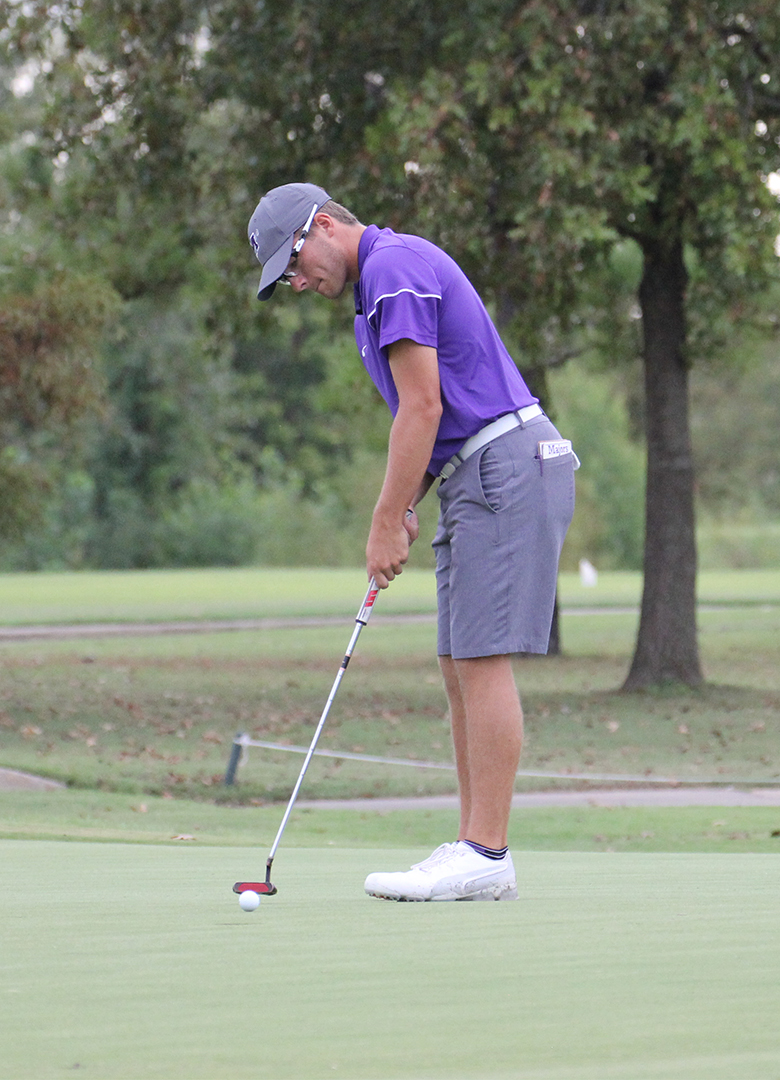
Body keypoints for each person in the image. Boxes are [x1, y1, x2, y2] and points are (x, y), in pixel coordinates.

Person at [248, 183, 576, 902]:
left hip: (505, 465)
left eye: (294, 262)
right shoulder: (374, 295)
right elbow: (429, 419)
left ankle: (486, 852)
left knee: (482, 659)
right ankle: (473, 845)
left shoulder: (391, 268)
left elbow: (422, 407)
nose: (298, 282)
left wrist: (383, 516)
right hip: (474, 472)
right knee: (459, 662)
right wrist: (405, 507)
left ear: (324, 226)